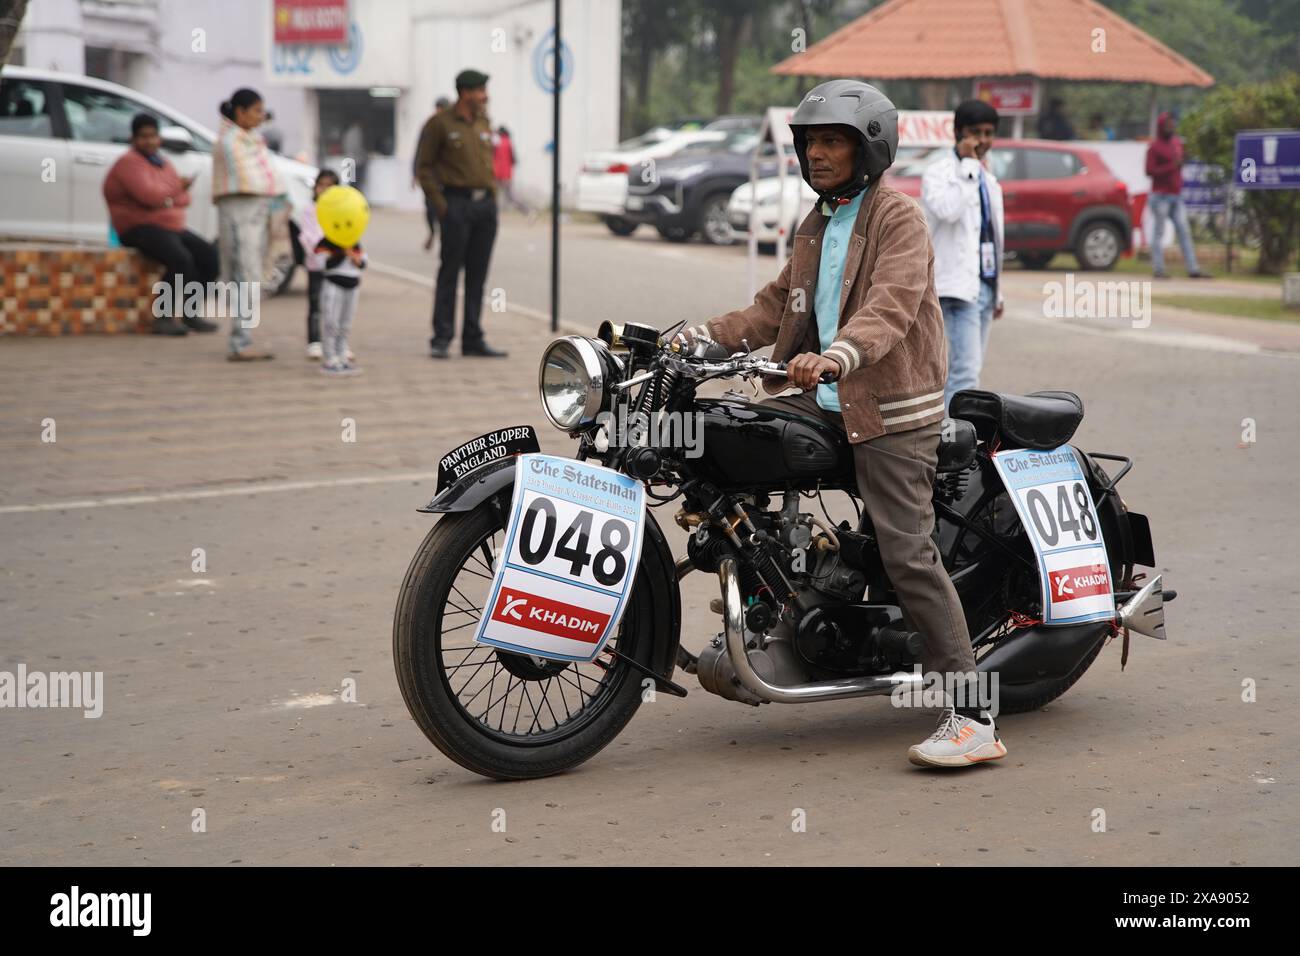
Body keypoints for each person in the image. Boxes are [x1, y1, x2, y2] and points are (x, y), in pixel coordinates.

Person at [678, 80, 1006, 769]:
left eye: (833, 141)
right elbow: (770, 310)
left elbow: (890, 306)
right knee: (721, 448)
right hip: (818, 396)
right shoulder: (818, 223)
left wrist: (836, 356)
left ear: (869, 148)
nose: (818, 153)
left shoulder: (899, 218)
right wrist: (692, 341)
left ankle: (974, 714)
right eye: (811, 141)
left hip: (887, 407)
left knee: (906, 551)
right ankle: (775, 598)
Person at [415, 69, 508, 359]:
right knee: (450, 272)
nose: (485, 96)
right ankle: (441, 338)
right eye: (481, 91)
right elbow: (424, 168)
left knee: (477, 275)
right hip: (456, 204)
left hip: (484, 208)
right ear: (465, 93)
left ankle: (472, 337)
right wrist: (441, 206)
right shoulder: (439, 124)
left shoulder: (483, 122)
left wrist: (492, 197)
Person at [921, 100, 1005, 411]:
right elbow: (949, 211)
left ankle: (951, 436)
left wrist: (998, 292)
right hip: (955, 287)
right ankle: (951, 442)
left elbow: (993, 236)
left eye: (988, 133)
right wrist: (969, 167)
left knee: (971, 371)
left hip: (982, 285)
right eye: (975, 133)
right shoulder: (939, 173)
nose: (982, 141)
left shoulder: (988, 177)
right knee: (964, 374)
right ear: (958, 132)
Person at [102, 112, 219, 336]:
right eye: (143, 136)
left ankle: (190, 313)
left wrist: (169, 197)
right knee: (181, 260)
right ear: (134, 139)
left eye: (153, 136)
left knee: (210, 257)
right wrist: (174, 192)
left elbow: (185, 199)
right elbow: (150, 196)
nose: (150, 141)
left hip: (167, 226)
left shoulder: (162, 162)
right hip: (138, 227)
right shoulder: (129, 163)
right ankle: (163, 318)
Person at [213, 87, 284, 361]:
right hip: (240, 214)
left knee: (248, 275)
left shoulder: (250, 138)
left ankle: (243, 338)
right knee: (243, 275)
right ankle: (240, 342)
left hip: (254, 214)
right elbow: (248, 178)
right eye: (256, 110)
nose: (260, 116)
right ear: (240, 112)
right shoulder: (231, 141)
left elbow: (266, 176)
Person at [1146, 112, 1210, 280]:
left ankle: (1193, 269)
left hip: (1176, 195)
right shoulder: (1154, 147)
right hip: (1160, 196)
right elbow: (1149, 171)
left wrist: (1181, 163)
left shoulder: (1176, 143)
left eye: (1172, 124)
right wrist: (1171, 166)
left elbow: (1178, 165)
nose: (1171, 127)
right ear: (1161, 127)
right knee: (1158, 233)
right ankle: (1159, 269)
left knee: (1184, 231)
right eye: (1168, 124)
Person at [293, 169, 340, 359]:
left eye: (330, 186)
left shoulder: (340, 210)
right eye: (322, 185)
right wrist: (322, 250)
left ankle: (337, 342)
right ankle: (314, 341)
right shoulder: (310, 210)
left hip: (336, 265)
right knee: (315, 303)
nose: (325, 189)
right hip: (316, 264)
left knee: (336, 305)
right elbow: (307, 236)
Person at [314, 226, 367, 376]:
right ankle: (330, 358)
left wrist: (355, 258)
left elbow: (363, 263)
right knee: (331, 323)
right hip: (333, 285)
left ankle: (342, 355)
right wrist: (342, 253)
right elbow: (322, 264)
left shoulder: (354, 243)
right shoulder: (325, 242)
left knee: (346, 324)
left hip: (352, 286)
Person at [415, 96, 452, 252]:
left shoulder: (453, 126)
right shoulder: (429, 126)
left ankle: (447, 239)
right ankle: (432, 232)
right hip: (431, 177)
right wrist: (415, 173)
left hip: (447, 178)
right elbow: (419, 151)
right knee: (430, 209)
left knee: (447, 211)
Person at [493, 125, 534, 219]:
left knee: (493, 196)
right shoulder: (509, 143)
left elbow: (493, 156)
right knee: (511, 197)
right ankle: (528, 211)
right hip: (507, 175)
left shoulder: (498, 142)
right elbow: (514, 160)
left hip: (498, 174)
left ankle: (490, 215)